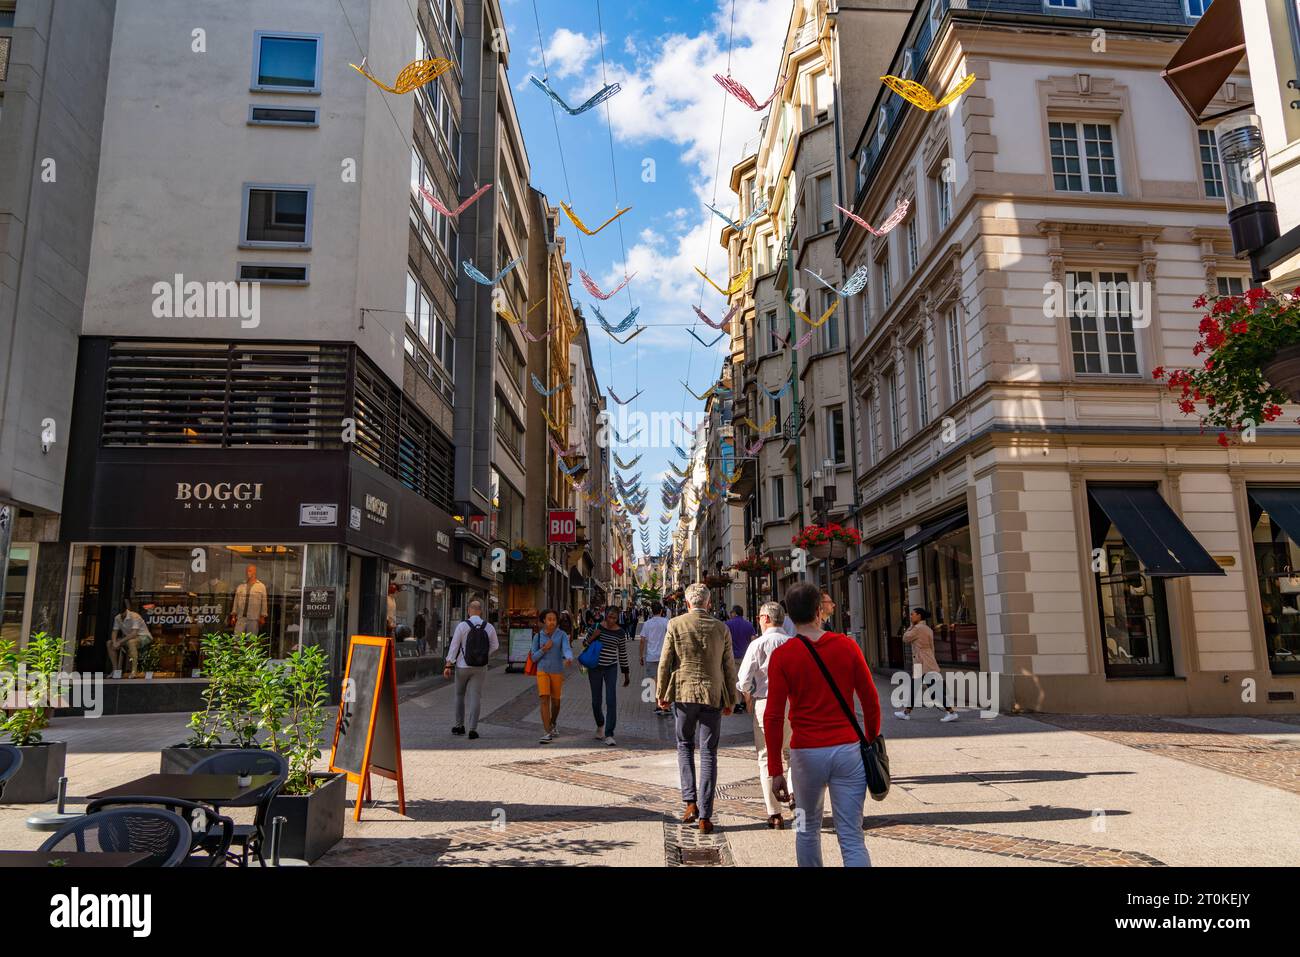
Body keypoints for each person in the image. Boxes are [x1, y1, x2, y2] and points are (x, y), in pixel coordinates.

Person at [767, 581, 881, 867]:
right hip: (847, 752)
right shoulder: (847, 646)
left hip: (806, 755)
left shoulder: (782, 655)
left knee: (806, 830)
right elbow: (870, 700)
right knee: (852, 836)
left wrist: (775, 769)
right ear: (820, 611)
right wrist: (869, 739)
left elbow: (774, 716)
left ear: (790, 616)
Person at [657, 582, 737, 834]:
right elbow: (728, 667)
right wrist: (731, 698)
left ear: (688, 603)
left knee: (684, 745)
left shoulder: (676, 624)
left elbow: (665, 661)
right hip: (712, 695)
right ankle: (705, 816)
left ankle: (690, 803)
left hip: (683, 692)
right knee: (709, 753)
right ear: (709, 603)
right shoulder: (721, 628)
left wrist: (661, 693)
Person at [736, 601, 795, 828]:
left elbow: (743, 681)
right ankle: (793, 799)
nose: (759, 620)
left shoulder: (758, 645)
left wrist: (748, 696)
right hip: (792, 704)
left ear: (767, 619)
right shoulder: (793, 643)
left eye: (760, 616)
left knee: (766, 756)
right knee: (792, 755)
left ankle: (774, 814)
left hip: (766, 703)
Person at [444, 599, 498, 740]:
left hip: (462, 666)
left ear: (469, 611)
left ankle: (459, 726)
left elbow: (454, 646)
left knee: (459, 695)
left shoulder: (462, 626)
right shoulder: (489, 627)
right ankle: (473, 729)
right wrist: (484, 655)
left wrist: (449, 664)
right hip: (480, 668)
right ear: (480, 611)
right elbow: (495, 646)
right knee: (475, 697)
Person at [895, 607, 957, 722]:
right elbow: (932, 647)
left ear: (919, 616)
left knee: (934, 689)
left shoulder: (917, 628)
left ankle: (951, 712)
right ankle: (906, 712)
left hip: (922, 663)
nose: (911, 616)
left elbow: (905, 638)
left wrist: (911, 625)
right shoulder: (928, 629)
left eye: (912, 614)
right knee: (915, 688)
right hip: (925, 662)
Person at [584, 607, 630, 746]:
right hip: (595, 667)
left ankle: (609, 733)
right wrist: (593, 636)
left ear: (618, 618)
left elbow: (622, 653)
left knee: (611, 699)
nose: (611, 620)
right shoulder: (596, 626)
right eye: (609, 616)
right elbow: (584, 644)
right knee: (596, 701)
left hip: (611, 667)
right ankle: (600, 724)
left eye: (614, 618)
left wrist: (626, 674)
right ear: (605, 615)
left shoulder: (620, 633)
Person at [530, 609, 573, 744]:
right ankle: (547, 731)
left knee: (556, 702)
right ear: (543, 621)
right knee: (544, 698)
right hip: (542, 670)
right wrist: (544, 649)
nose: (552, 622)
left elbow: (566, 648)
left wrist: (569, 657)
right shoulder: (538, 636)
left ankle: (553, 722)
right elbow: (533, 657)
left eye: (554, 619)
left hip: (557, 671)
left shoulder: (561, 635)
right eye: (549, 619)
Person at [638, 603, 670, 716]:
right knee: (665, 681)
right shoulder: (666, 622)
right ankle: (666, 706)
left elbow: (642, 640)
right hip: (664, 656)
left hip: (651, 657)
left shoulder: (647, 624)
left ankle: (658, 706)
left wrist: (641, 656)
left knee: (654, 682)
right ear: (661, 611)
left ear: (651, 611)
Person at [725, 606, 756, 714]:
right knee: (746, 678)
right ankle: (744, 701)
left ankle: (737, 703)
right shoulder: (749, 624)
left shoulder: (728, 624)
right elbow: (753, 639)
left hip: (733, 656)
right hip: (746, 656)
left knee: (735, 679)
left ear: (734, 613)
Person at [108, 598, 151, 677]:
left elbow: (134, 634)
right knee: (109, 643)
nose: (122, 615)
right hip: (129, 638)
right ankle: (115, 670)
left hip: (144, 636)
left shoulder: (135, 616)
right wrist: (114, 642)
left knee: (131, 642)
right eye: (120, 614)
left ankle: (134, 671)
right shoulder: (117, 618)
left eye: (123, 613)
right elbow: (114, 631)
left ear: (126, 610)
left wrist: (119, 642)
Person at [229, 564, 268, 636]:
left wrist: (263, 616)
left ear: (255, 572)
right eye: (247, 571)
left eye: (250, 571)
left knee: (251, 641)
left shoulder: (261, 587)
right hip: (241, 617)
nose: (248, 573)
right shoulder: (241, 586)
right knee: (237, 638)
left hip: (254, 618)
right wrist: (233, 616)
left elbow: (264, 602)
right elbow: (236, 602)